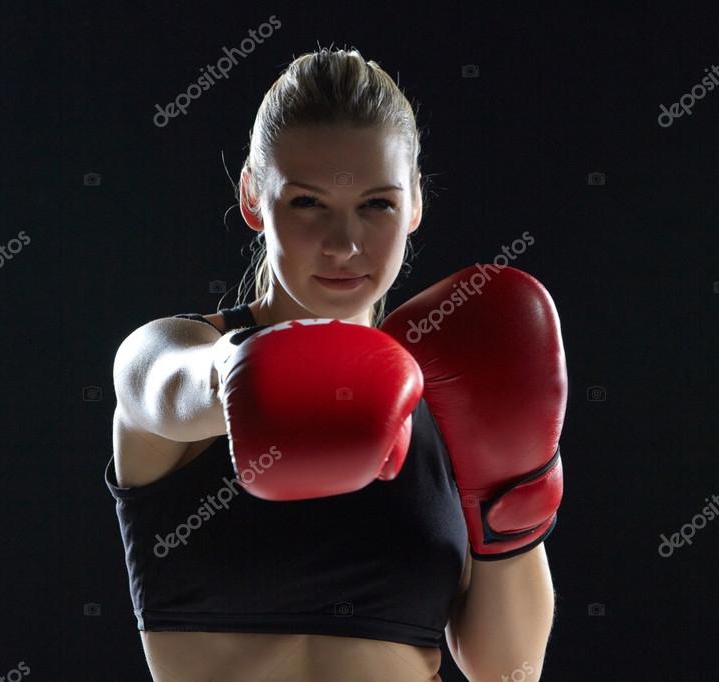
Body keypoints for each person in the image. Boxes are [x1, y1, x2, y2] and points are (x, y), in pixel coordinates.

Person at [106, 46, 560, 682]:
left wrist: (516, 494)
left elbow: (506, 671)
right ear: (253, 197)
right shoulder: (176, 354)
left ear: (416, 203)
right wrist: (240, 376)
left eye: (376, 204)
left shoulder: (449, 397)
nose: (345, 244)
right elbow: (159, 385)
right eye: (307, 203)